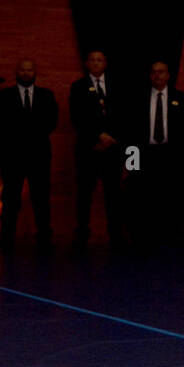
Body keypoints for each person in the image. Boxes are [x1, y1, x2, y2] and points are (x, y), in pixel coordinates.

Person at [129, 60, 184, 247]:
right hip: (146, 156)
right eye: (153, 72)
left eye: (161, 72)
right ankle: (145, 241)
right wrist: (131, 164)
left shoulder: (181, 98)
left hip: (172, 157)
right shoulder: (138, 99)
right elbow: (131, 134)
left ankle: (171, 240)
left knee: (171, 199)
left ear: (168, 75)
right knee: (146, 200)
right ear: (149, 76)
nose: (157, 75)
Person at [0, 58, 57, 251]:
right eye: (23, 70)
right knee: (10, 199)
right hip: (12, 155)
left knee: (41, 199)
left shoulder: (47, 95)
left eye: (30, 70)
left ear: (35, 72)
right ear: (17, 72)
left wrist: (28, 133)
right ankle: (7, 239)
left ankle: (44, 238)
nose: (26, 73)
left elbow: (51, 122)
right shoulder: (3, 96)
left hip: (39, 156)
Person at [69, 49, 125, 253]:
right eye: (92, 60)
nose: (95, 63)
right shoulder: (78, 87)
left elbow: (124, 114)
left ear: (105, 63)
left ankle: (116, 238)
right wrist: (98, 136)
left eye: (99, 60)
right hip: (88, 150)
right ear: (86, 63)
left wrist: (111, 137)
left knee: (113, 196)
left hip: (112, 151)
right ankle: (82, 237)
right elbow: (77, 117)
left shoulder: (117, 86)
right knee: (84, 196)